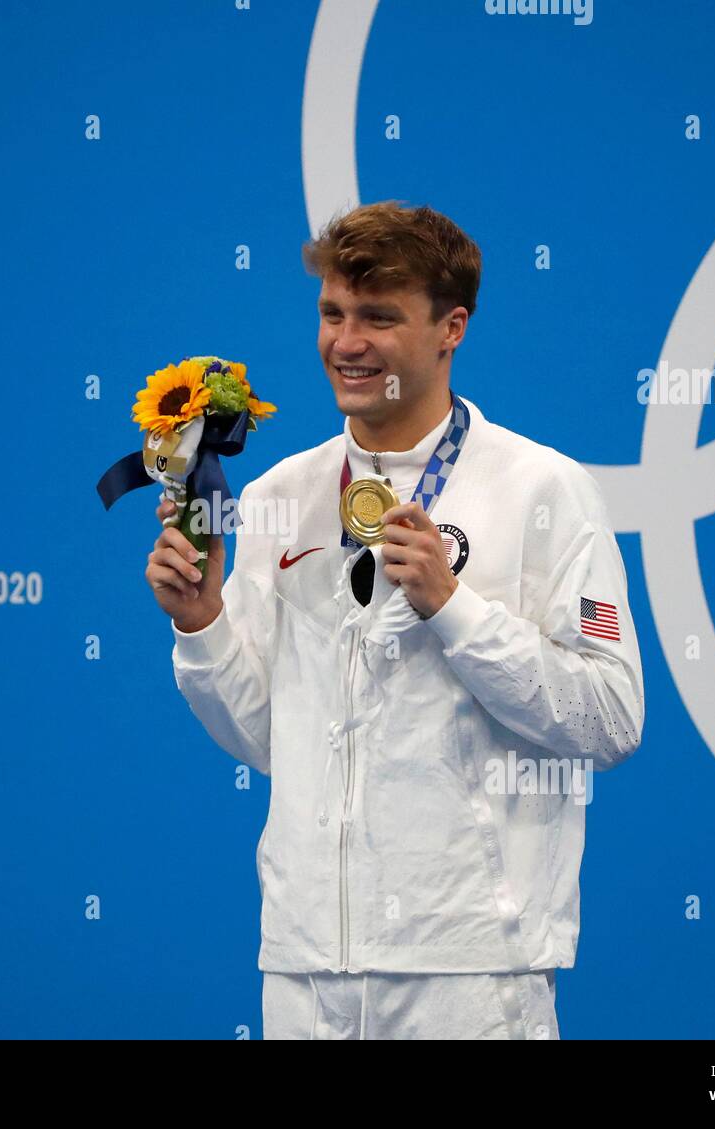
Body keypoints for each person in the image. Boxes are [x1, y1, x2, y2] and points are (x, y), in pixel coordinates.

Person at [145, 201, 645, 1039]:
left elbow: (610, 716)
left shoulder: (543, 491)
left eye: (379, 317)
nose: (347, 342)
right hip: (305, 966)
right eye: (333, 313)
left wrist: (457, 612)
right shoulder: (276, 500)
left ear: (452, 327)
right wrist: (202, 629)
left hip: (470, 969)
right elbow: (272, 739)